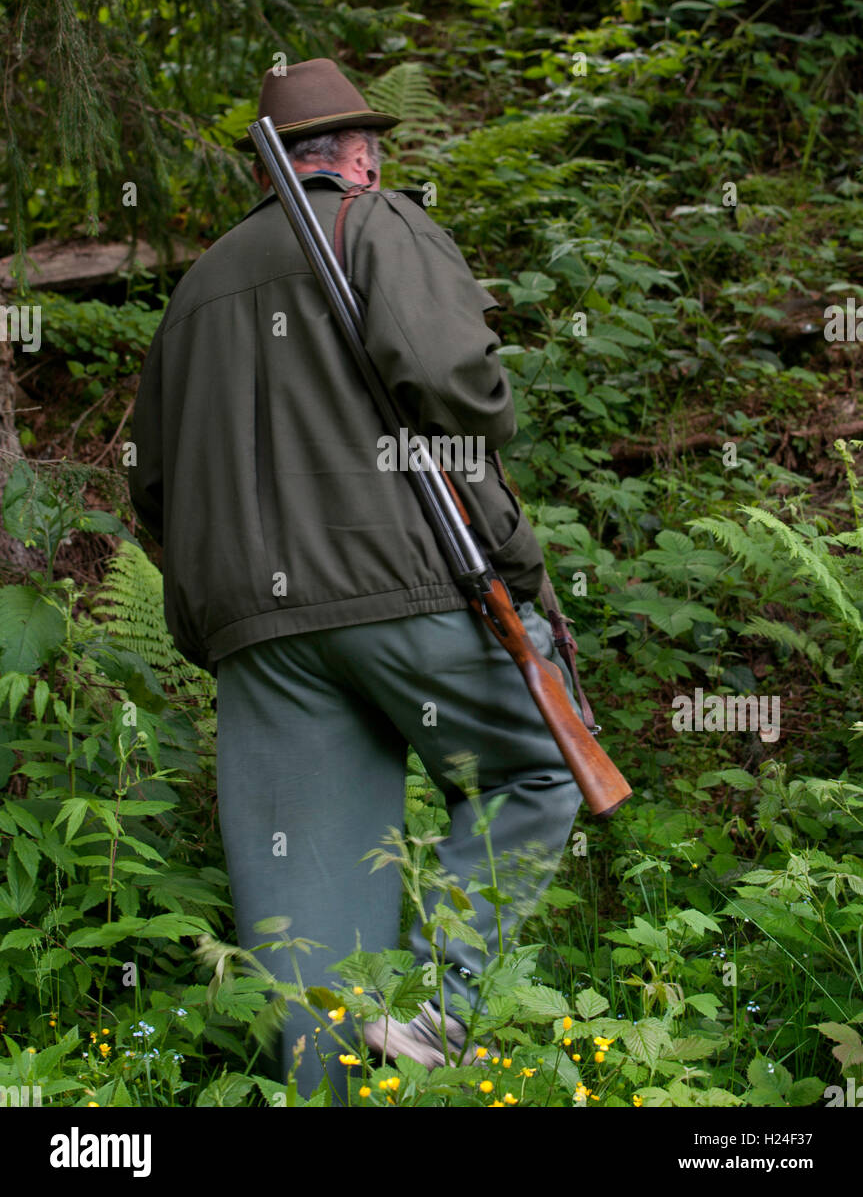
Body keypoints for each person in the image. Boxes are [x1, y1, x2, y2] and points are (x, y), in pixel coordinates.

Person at [128, 57, 583, 1098]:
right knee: (536, 765)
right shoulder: (376, 224)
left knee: (308, 929)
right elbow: (457, 385)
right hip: (408, 585)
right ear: (357, 157)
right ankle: (441, 1003)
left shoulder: (194, 291)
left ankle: (334, 1094)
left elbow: (152, 489)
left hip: (259, 633)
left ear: (274, 166)